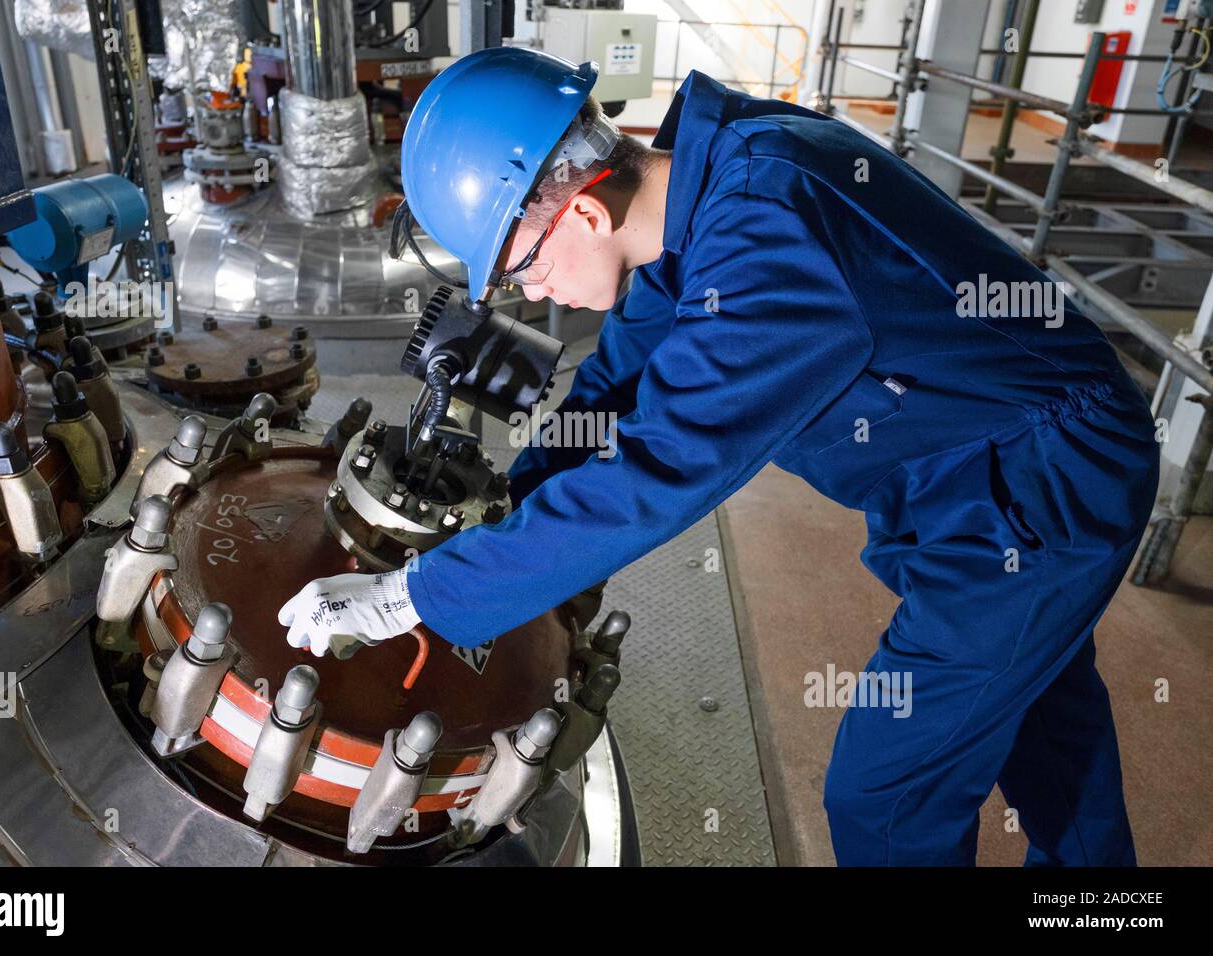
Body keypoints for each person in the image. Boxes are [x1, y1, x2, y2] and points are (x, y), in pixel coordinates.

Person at [278, 48, 1160, 865]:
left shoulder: (770, 240)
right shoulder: (695, 193)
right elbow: (614, 392)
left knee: (884, 793)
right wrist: (512, 508)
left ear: (584, 210)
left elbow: (658, 472)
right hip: (970, 456)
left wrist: (415, 597)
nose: (527, 294)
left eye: (518, 273)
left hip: (1041, 483)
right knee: (1041, 716)